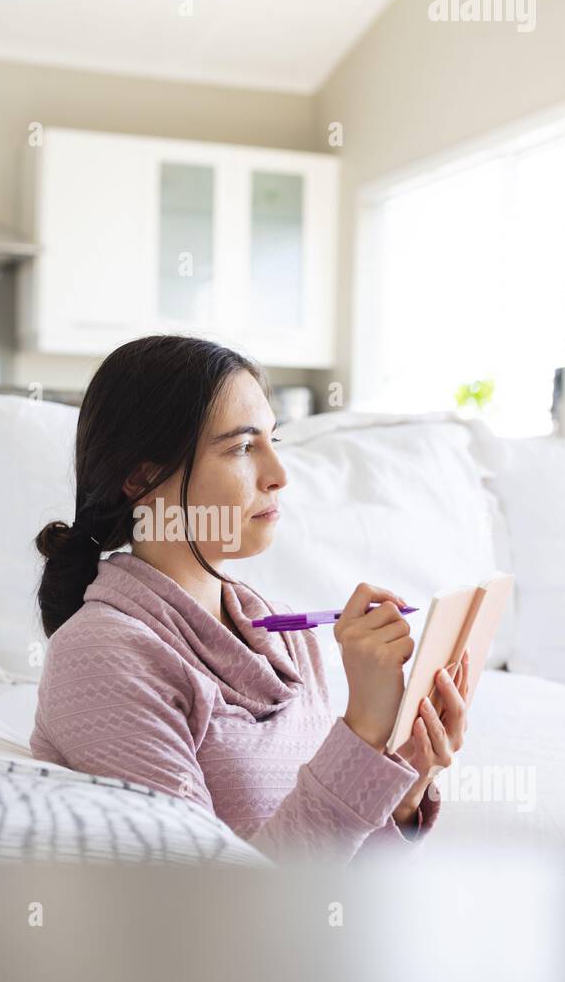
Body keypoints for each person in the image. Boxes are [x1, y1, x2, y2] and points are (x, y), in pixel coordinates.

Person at [30, 335, 468, 862]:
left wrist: (404, 782)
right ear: (142, 477)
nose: (279, 477)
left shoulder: (285, 636)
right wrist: (362, 730)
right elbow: (219, 909)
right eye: (241, 448)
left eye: (272, 442)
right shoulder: (101, 657)